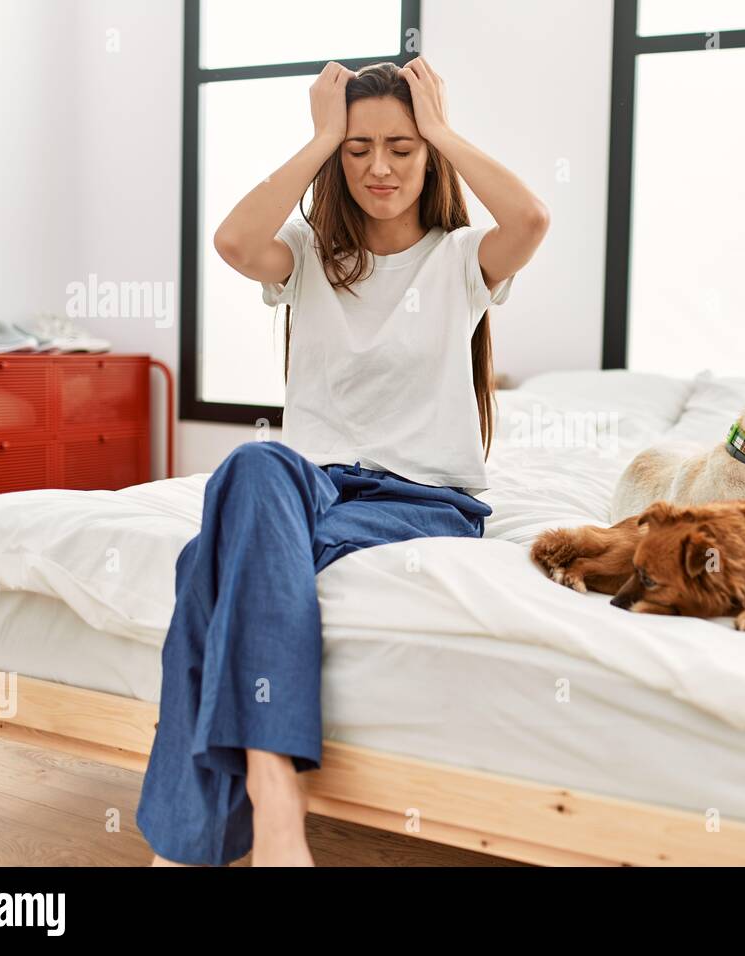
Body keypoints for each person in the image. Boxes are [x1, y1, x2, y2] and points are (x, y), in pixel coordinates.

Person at [136, 56, 549, 866]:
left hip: (423, 497)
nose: (380, 167)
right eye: (358, 149)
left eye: (400, 146)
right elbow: (231, 240)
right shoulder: (306, 253)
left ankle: (207, 833)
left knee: (206, 559)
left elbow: (531, 220)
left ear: (427, 153)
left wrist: (441, 129)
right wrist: (321, 134)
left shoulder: (463, 258)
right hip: (309, 484)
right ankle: (273, 786)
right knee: (250, 468)